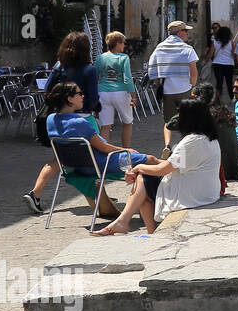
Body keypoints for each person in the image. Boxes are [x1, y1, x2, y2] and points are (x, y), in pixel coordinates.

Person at [24, 81, 156, 218]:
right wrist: (126, 150)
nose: (82, 96)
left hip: (74, 168)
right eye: (79, 94)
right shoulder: (79, 122)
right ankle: (158, 199)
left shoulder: (51, 119)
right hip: (102, 165)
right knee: (149, 161)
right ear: (70, 99)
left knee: (141, 162)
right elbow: (104, 148)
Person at [93, 99, 223, 236]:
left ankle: (132, 224)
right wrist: (148, 164)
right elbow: (176, 164)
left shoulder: (191, 141)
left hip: (194, 194)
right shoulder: (207, 138)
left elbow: (163, 170)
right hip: (204, 190)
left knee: (142, 180)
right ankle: (130, 224)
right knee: (143, 184)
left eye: (180, 114)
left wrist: (138, 168)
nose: (178, 118)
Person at [95, 31, 136, 148]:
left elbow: (96, 77)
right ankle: (126, 150)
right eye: (123, 43)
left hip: (103, 92)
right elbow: (127, 77)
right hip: (120, 92)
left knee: (105, 126)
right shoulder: (123, 58)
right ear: (117, 43)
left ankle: (104, 152)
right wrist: (133, 95)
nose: (124, 45)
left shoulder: (100, 58)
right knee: (127, 122)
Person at [51, 31, 101, 118]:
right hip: (83, 114)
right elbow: (93, 98)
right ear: (86, 49)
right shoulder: (89, 70)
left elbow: (48, 87)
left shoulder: (59, 66)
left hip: (61, 114)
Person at [207, 24, 236, 99]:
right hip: (229, 64)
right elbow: (233, 55)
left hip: (217, 64)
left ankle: (218, 99)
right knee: (229, 83)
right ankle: (232, 98)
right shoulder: (231, 43)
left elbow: (210, 54)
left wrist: (206, 61)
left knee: (219, 83)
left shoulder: (215, 42)